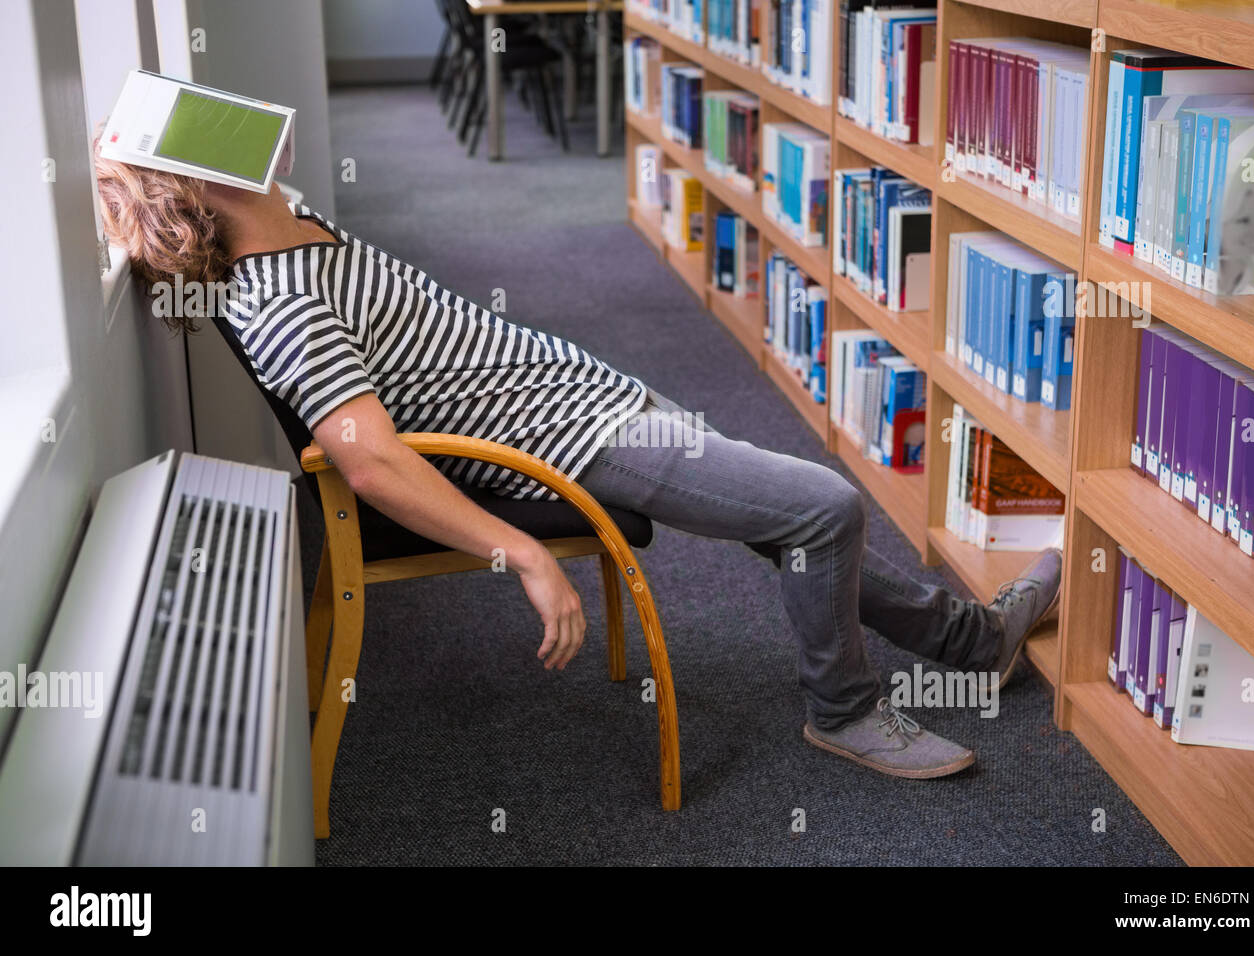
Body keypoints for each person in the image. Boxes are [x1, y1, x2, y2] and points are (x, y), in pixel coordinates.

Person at [95, 149, 1062, 781]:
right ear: (197, 187)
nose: (247, 131)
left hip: (581, 393)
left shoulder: (286, 219)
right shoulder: (280, 301)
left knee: (788, 519)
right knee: (821, 509)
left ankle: (974, 642)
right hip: (577, 446)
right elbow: (369, 462)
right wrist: (522, 550)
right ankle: (845, 711)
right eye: (210, 136)